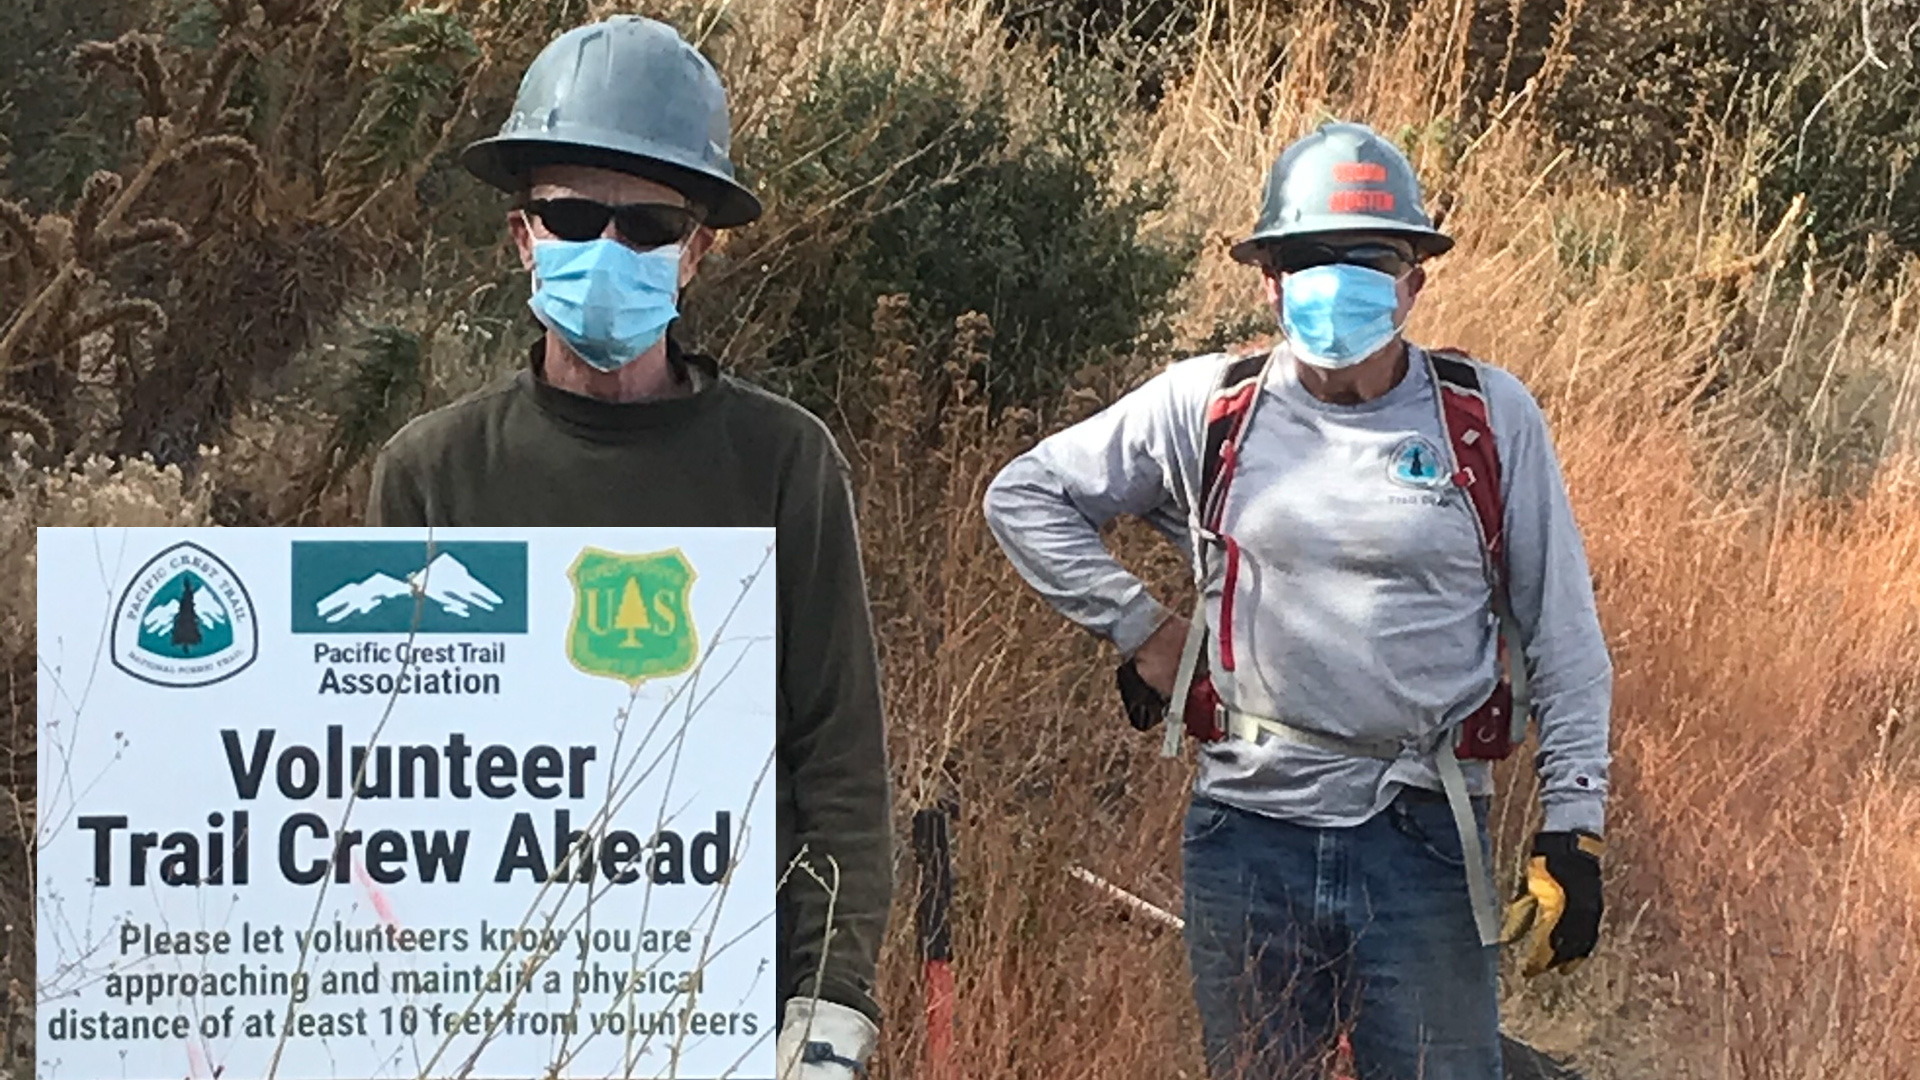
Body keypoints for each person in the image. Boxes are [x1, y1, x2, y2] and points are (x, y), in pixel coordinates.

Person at [982, 120, 1613, 1079]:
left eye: (1370, 258)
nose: (1339, 279)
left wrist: (1573, 825)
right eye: (1311, 257)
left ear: (1413, 281)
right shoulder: (1210, 406)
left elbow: (1565, 635)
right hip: (1248, 836)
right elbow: (1026, 495)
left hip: (1423, 836)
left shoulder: (1486, 419)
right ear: (1269, 281)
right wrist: (1143, 626)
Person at [363, 17, 893, 1080]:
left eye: (648, 225)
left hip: (722, 1003)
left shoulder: (783, 463)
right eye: (572, 215)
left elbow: (836, 751)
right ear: (523, 235)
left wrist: (829, 1000)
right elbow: (386, 772)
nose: (607, 249)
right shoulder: (432, 472)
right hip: (491, 1004)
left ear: (696, 252)